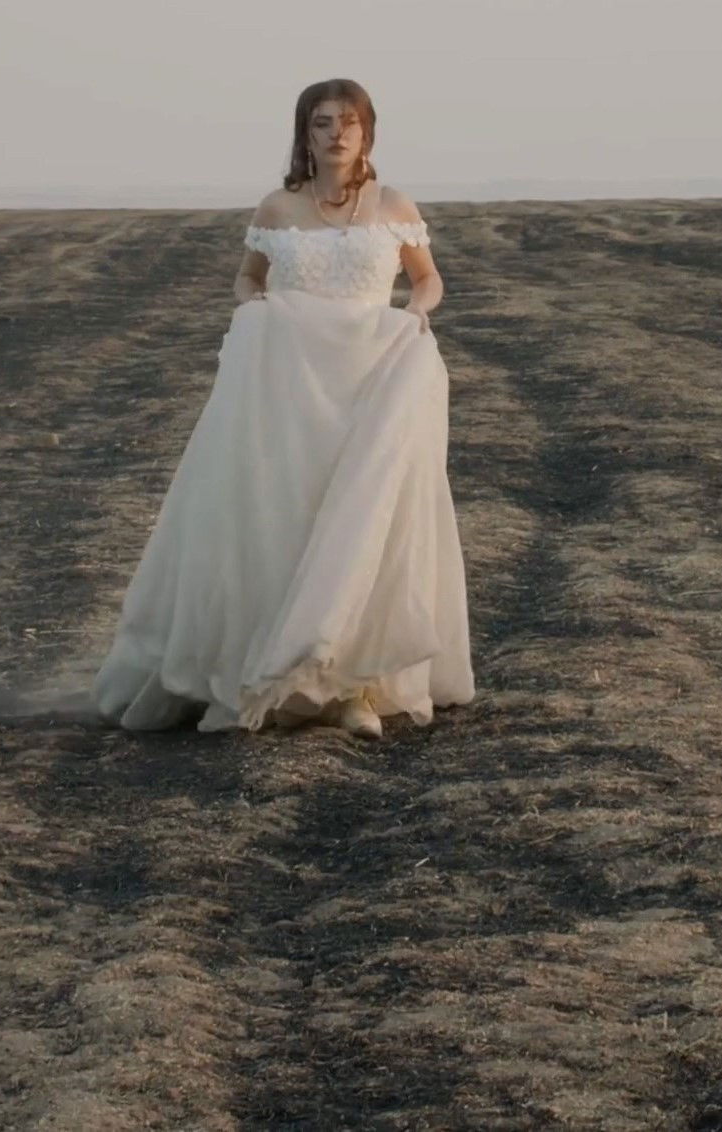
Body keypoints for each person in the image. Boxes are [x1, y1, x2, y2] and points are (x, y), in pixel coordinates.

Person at [92, 78, 474, 737]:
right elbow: (248, 276)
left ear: (368, 131)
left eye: (348, 122)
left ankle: (352, 684)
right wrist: (254, 310)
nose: (336, 134)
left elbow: (427, 278)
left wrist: (417, 311)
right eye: (322, 123)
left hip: (367, 376)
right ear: (305, 133)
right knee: (281, 517)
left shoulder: (392, 205)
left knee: (361, 517)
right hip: (289, 386)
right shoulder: (278, 207)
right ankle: (264, 670)